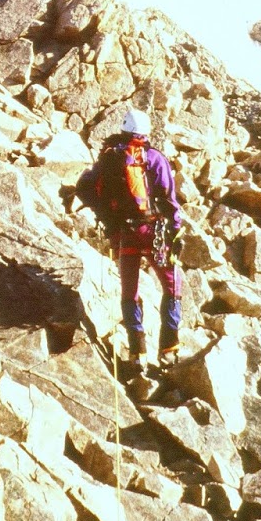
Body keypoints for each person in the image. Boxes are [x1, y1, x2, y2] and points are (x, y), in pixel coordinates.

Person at [70, 109, 186, 367]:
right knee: (172, 286)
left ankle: (137, 354)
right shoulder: (154, 158)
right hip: (153, 232)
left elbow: (85, 187)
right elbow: (169, 199)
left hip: (124, 234)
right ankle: (168, 349)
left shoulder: (109, 157)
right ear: (146, 132)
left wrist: (109, 220)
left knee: (129, 291)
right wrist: (175, 231)